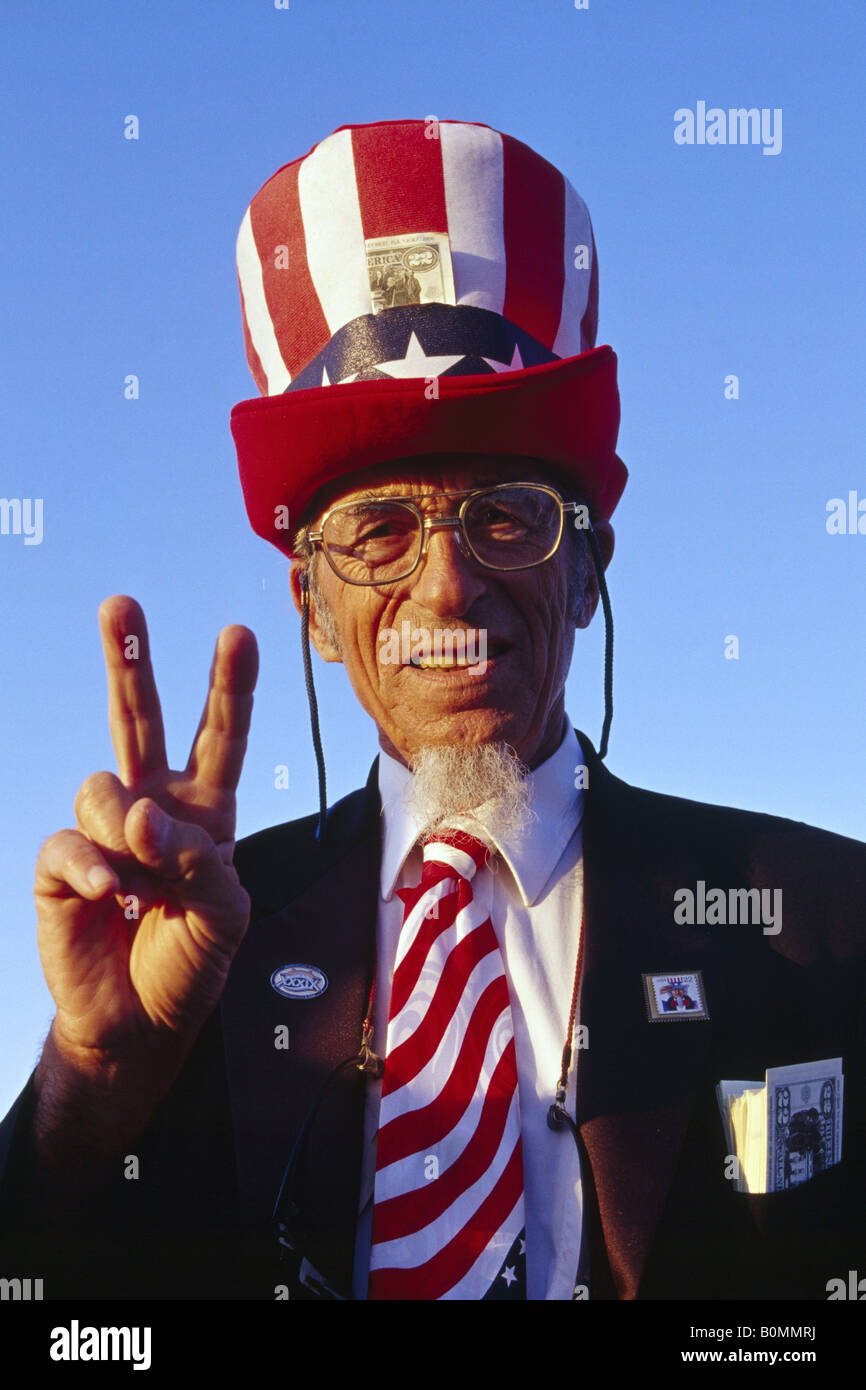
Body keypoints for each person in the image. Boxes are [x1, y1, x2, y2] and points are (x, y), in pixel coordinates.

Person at [1, 118, 865, 1303]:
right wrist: (93, 1079)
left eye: (506, 514)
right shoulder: (199, 948)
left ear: (584, 573)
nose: (445, 585)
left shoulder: (824, 918)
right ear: (311, 605)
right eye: (378, 532)